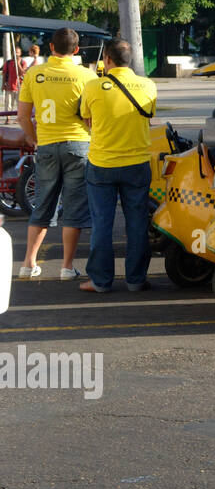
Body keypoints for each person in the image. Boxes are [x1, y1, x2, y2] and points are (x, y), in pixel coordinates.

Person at [77, 37, 158, 292]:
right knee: (137, 223)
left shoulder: (93, 86)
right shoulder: (147, 85)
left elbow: (86, 118)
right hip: (137, 164)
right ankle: (135, 280)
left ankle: (100, 281)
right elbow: (148, 118)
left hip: (102, 164)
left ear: (107, 60)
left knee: (102, 223)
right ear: (129, 60)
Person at [16, 29, 95, 280]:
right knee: (73, 208)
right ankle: (67, 267)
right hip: (78, 144)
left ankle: (28, 263)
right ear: (76, 49)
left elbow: (22, 116)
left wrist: (33, 138)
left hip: (47, 146)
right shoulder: (85, 75)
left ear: (51, 47)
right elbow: (91, 117)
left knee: (43, 205)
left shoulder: (35, 73)